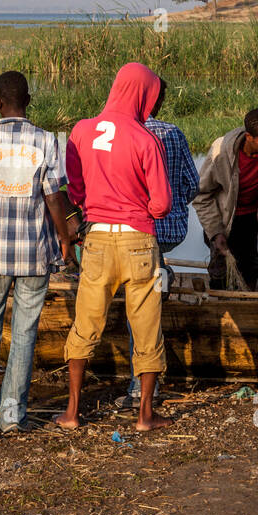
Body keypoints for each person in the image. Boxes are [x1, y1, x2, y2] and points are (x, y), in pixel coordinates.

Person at [55, 62, 172, 432]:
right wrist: (143, 209)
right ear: (142, 94)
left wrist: (92, 205)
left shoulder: (81, 131)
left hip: (98, 241)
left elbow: (74, 188)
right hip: (139, 241)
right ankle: (145, 415)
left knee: (86, 323)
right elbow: (162, 204)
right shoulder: (146, 139)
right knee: (147, 325)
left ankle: (72, 413)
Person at [0, 70, 73, 435]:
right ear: (29, 101)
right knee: (24, 333)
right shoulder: (46, 140)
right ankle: (11, 417)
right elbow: (54, 197)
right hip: (34, 254)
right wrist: (65, 239)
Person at [113, 78, 198, 407]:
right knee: (147, 288)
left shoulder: (121, 131)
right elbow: (192, 185)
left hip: (136, 231)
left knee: (140, 308)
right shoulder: (173, 133)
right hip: (170, 230)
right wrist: (173, 204)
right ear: (158, 101)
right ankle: (163, 274)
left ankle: (141, 388)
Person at [192, 108, 258, 291]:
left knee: (250, 271)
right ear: (249, 137)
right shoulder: (222, 151)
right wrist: (216, 232)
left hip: (250, 220)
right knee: (220, 276)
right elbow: (201, 195)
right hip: (223, 220)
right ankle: (220, 311)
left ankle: (248, 308)